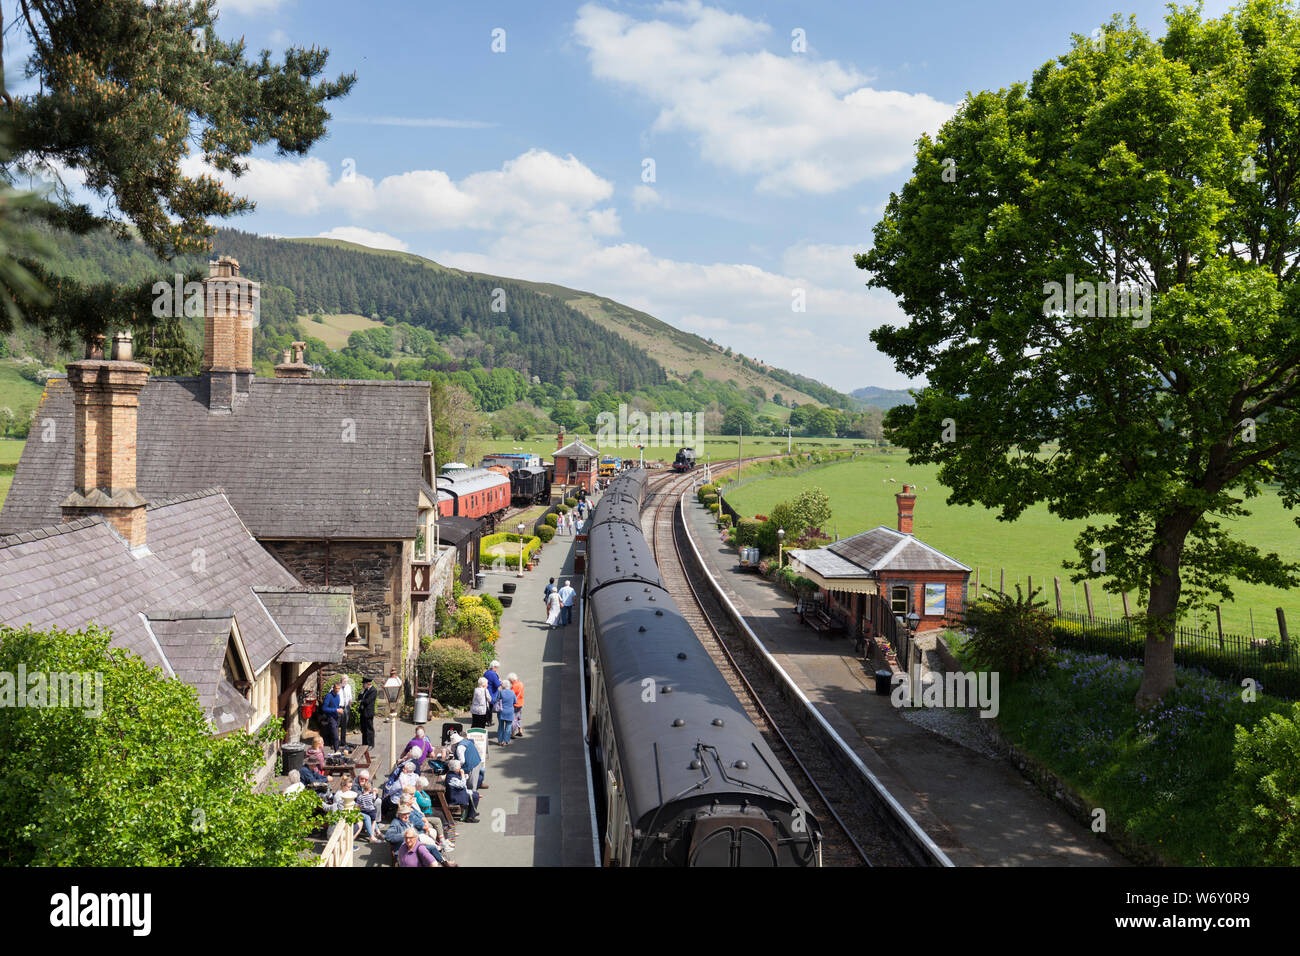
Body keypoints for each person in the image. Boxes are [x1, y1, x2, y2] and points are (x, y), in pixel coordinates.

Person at [384, 803, 453, 865]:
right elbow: (388, 836)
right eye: (404, 814)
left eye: (408, 813)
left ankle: (444, 863)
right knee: (425, 858)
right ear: (399, 814)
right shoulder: (396, 823)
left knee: (433, 848)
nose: (407, 816)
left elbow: (415, 832)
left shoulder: (408, 821)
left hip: (415, 847)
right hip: (405, 851)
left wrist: (422, 832)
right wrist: (404, 835)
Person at [355, 776, 383, 842]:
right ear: (370, 789)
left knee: (370, 820)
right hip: (372, 811)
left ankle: (377, 833)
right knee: (373, 822)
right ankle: (372, 834)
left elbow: (358, 805)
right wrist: (374, 792)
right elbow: (374, 798)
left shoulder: (360, 797)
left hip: (364, 811)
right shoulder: (371, 796)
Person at [493, 680, 516, 747]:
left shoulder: (500, 692)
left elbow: (495, 700)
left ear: (502, 686)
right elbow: (515, 701)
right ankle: (506, 741)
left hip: (501, 711)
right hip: (509, 711)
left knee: (500, 726)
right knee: (508, 727)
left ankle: (500, 741)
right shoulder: (512, 692)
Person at [320, 680, 342, 751]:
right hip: (330, 718)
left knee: (335, 735)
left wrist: (340, 709)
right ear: (333, 688)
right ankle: (337, 752)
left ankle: (336, 751)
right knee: (335, 736)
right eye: (336, 688)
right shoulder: (328, 696)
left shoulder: (338, 696)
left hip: (337, 717)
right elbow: (324, 708)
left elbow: (336, 706)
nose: (338, 690)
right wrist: (336, 710)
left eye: (339, 688)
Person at [357, 676, 378, 748]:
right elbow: (359, 697)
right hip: (363, 712)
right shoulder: (365, 690)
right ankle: (364, 743)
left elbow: (368, 701)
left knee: (369, 729)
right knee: (363, 728)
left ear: (368, 683)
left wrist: (361, 701)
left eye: (364, 683)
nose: (363, 685)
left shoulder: (373, 690)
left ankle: (370, 744)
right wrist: (362, 691)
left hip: (368, 712)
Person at [338, 676, 354, 748]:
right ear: (341, 680)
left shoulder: (348, 687)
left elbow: (350, 697)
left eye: (346, 681)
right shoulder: (336, 686)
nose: (345, 683)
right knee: (336, 725)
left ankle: (343, 741)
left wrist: (349, 706)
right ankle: (335, 742)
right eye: (344, 681)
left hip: (346, 707)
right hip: (339, 707)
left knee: (344, 725)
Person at [484, 662, 502, 727]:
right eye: (497, 667)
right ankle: (489, 721)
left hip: (486, 691)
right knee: (490, 708)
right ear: (494, 667)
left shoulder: (486, 672)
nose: (497, 669)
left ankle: (486, 720)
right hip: (492, 692)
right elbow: (497, 684)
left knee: (487, 707)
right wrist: (500, 681)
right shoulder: (493, 674)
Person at [507, 673, 525, 739]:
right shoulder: (521, 684)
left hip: (515, 704)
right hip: (521, 703)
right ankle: (520, 730)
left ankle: (513, 733)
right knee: (519, 717)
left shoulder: (514, 686)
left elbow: (511, 695)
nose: (509, 682)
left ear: (512, 680)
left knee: (514, 719)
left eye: (509, 680)